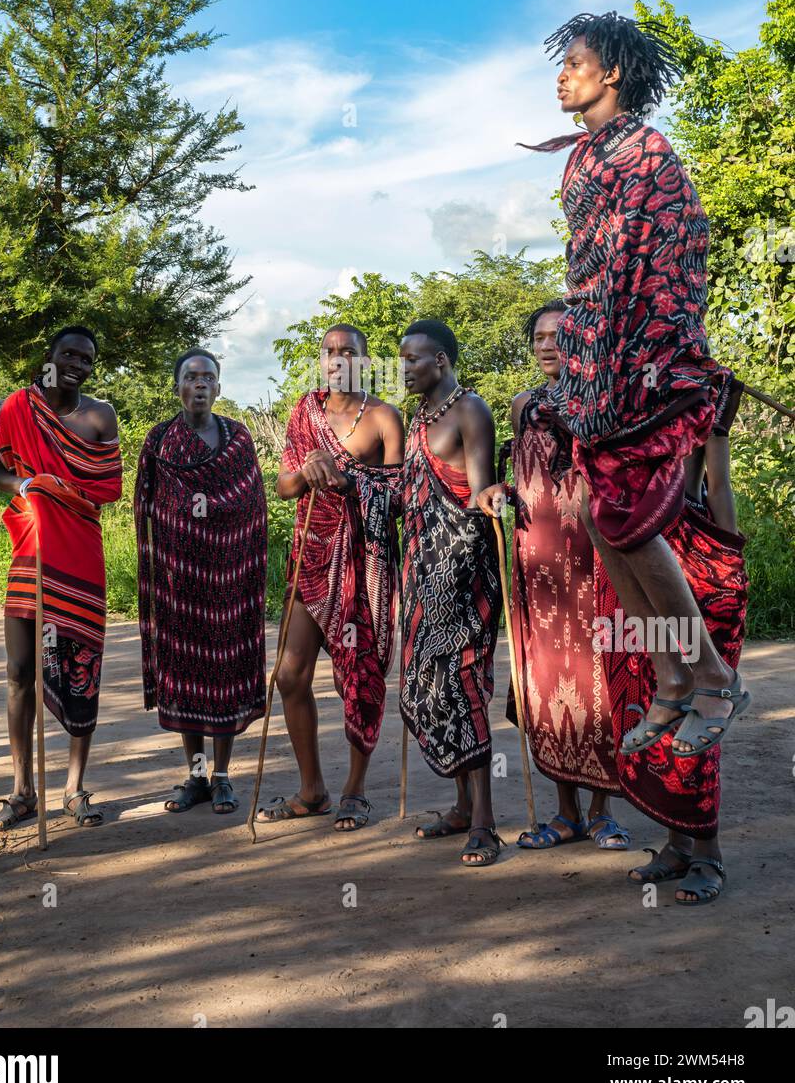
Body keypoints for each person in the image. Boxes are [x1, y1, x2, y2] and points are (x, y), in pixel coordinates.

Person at [519, 11, 749, 765]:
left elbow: (669, 256)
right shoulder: (581, 160)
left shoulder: (648, 154)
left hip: (643, 367)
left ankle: (712, 677)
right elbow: (590, 276)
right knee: (604, 524)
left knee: (628, 520)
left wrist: (649, 361)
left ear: (610, 72)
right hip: (597, 366)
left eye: (575, 62)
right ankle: (672, 677)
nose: (562, 73)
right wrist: (583, 364)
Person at [477, 300, 631, 851]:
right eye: (540, 337)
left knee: (598, 684)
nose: (548, 346)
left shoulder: (603, 400)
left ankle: (602, 811)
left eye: (559, 337)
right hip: (536, 562)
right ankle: (563, 814)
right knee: (544, 687)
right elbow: (520, 475)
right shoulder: (522, 406)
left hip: (593, 560)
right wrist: (496, 493)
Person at [256, 325, 404, 831]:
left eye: (350, 352)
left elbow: (399, 497)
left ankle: (355, 791)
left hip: (363, 566)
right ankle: (311, 788)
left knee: (357, 682)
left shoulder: (385, 417)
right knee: (289, 675)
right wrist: (308, 471)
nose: (338, 359)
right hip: (310, 558)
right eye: (330, 352)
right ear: (320, 360)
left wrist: (349, 479)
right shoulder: (305, 412)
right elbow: (283, 487)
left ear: (365, 360)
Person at [611, 387, 748, 904]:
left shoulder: (696, 419)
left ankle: (707, 853)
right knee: (664, 711)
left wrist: (726, 557)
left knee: (699, 717)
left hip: (705, 576)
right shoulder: (624, 434)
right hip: (653, 589)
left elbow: (720, 487)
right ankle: (675, 844)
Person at [0, 326, 122, 830]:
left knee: (80, 668)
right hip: (32, 548)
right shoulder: (17, 408)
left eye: (86, 359)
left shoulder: (99, 415)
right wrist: (27, 484)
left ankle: (73, 787)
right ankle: (22, 789)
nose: (77, 364)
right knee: (21, 668)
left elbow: (108, 488)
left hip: (80, 554)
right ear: (50, 356)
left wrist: (60, 489)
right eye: (69, 354)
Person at [134, 349, 268, 816]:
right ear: (177, 387)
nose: (199, 384)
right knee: (188, 677)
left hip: (228, 578)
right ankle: (194, 777)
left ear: (218, 388)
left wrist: (224, 529)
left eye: (208, 377)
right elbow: (147, 507)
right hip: (178, 580)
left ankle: (224, 776)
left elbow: (252, 503)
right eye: (190, 377)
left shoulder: (238, 440)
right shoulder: (160, 442)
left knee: (225, 675)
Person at [399, 318, 502, 867]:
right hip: (421, 570)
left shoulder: (470, 410)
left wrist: (493, 504)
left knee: (463, 682)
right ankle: (461, 805)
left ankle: (484, 821)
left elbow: (479, 491)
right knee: (427, 686)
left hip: (462, 568)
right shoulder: (419, 418)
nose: (405, 369)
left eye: (413, 359)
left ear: (440, 359)